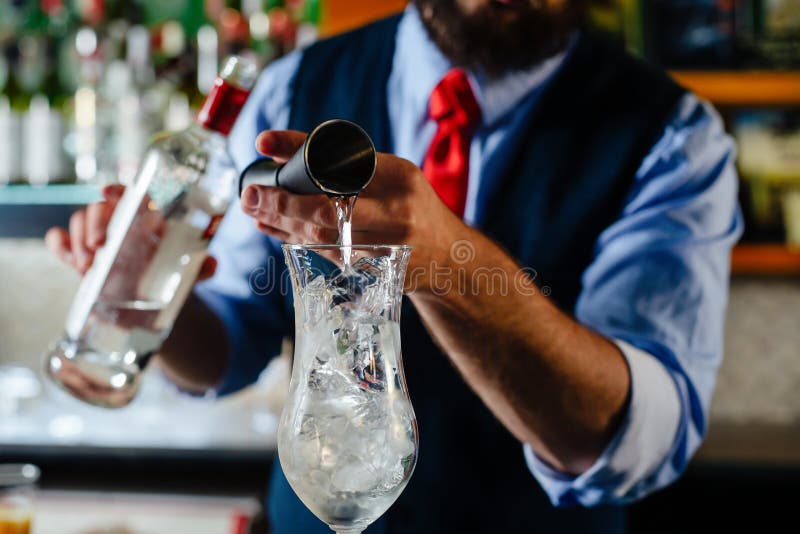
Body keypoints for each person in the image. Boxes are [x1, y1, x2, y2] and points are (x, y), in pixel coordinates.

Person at [46, 0, 742, 532]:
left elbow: (627, 436)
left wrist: (443, 262)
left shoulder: (674, 138)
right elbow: (226, 349)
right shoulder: (294, 88)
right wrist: (150, 292)